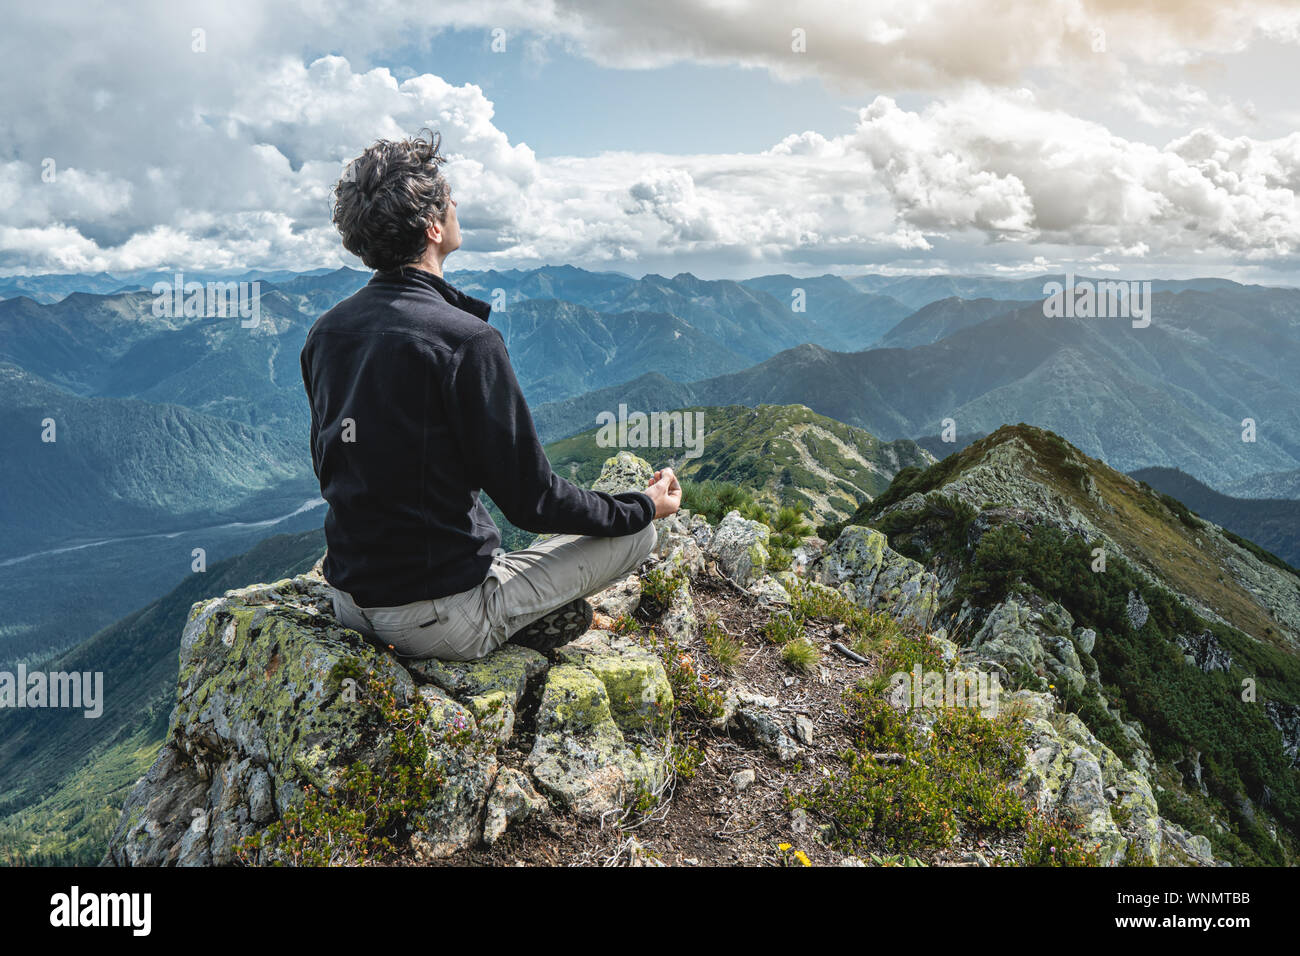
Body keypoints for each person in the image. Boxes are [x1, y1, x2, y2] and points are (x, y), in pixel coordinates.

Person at [300, 129, 681, 661]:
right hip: (436, 619)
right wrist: (642, 505)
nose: (457, 204)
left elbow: (331, 466)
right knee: (638, 536)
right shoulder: (466, 340)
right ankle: (511, 617)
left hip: (349, 599)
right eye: (449, 198)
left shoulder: (326, 332)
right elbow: (533, 500)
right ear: (434, 226)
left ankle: (516, 605)